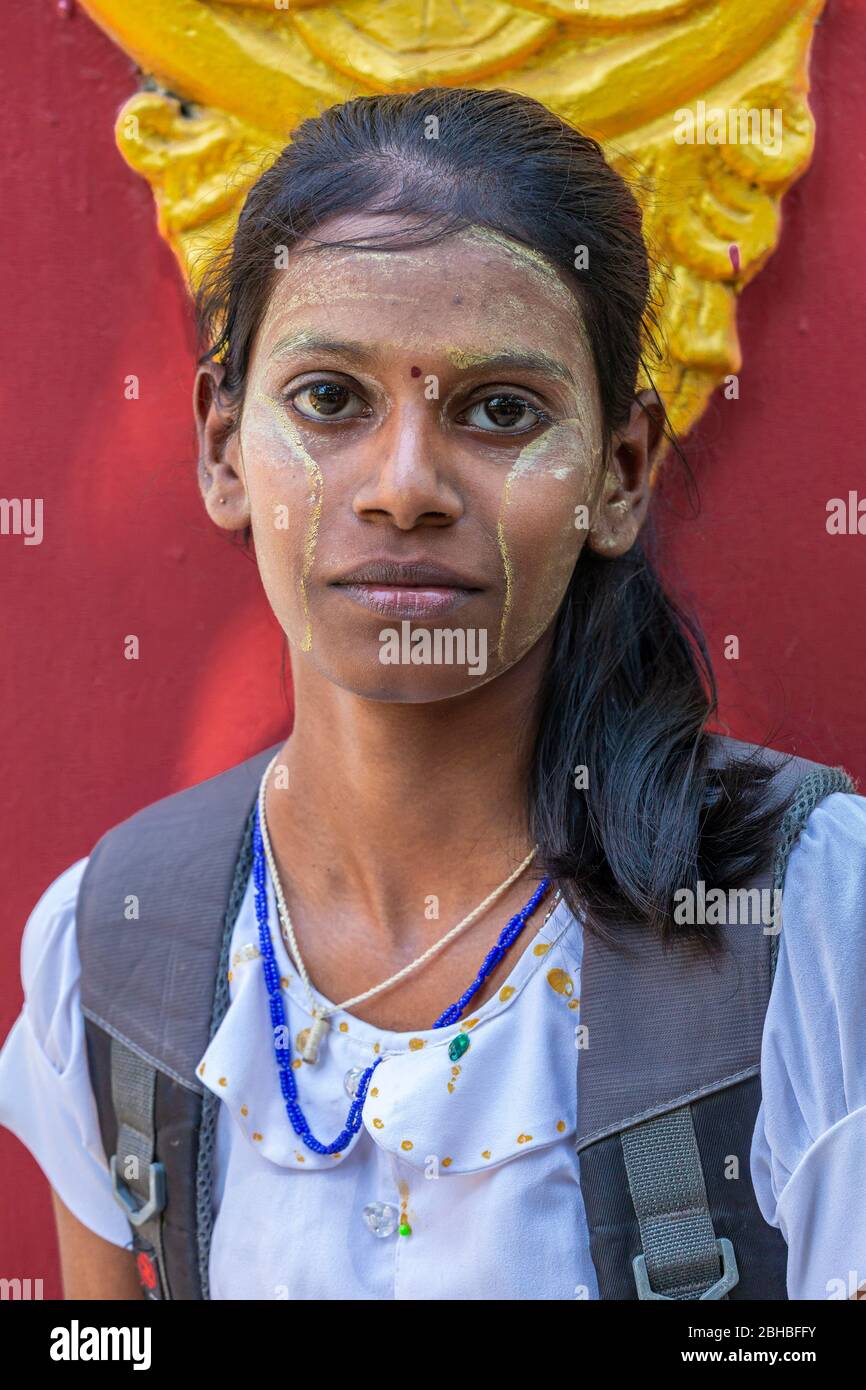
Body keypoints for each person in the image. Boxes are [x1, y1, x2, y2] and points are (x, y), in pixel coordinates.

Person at [1, 86, 864, 1302]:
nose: (405, 486)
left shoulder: (810, 919)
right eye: (329, 400)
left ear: (618, 475)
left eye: (499, 410)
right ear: (218, 447)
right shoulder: (115, 943)